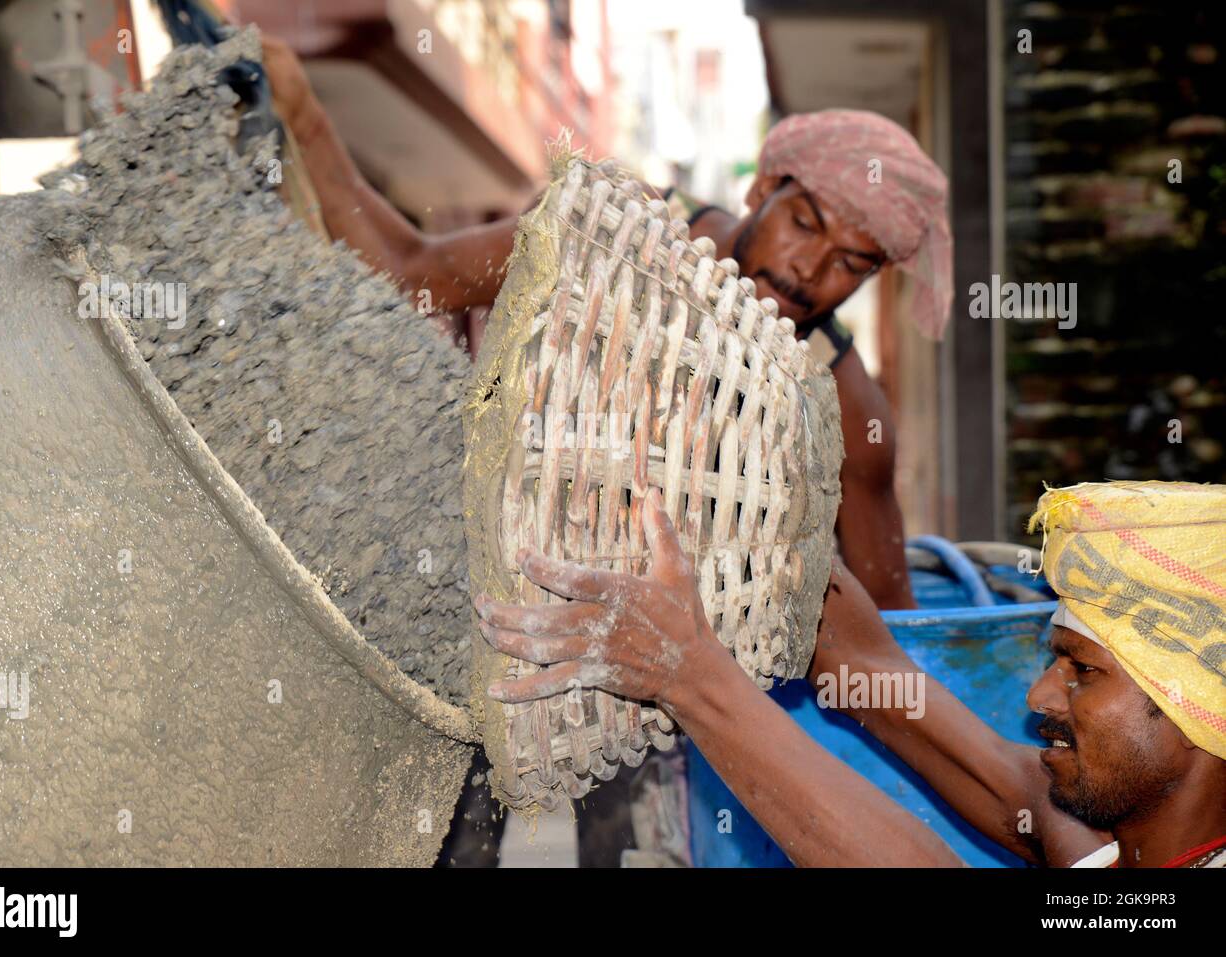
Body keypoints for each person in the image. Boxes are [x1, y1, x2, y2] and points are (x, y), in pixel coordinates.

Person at [262, 38, 953, 611]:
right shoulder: (610, 231)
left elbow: (895, 631)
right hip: (470, 580)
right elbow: (414, 272)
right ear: (762, 189)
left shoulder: (844, 409)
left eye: (851, 264)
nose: (809, 270)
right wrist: (301, 110)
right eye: (803, 224)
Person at [476, 481, 1226, 867]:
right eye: (1053, 659)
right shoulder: (1112, 844)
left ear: (1193, 703)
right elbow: (868, 668)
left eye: (1082, 671)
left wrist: (693, 677)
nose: (1038, 696)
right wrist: (764, 515)